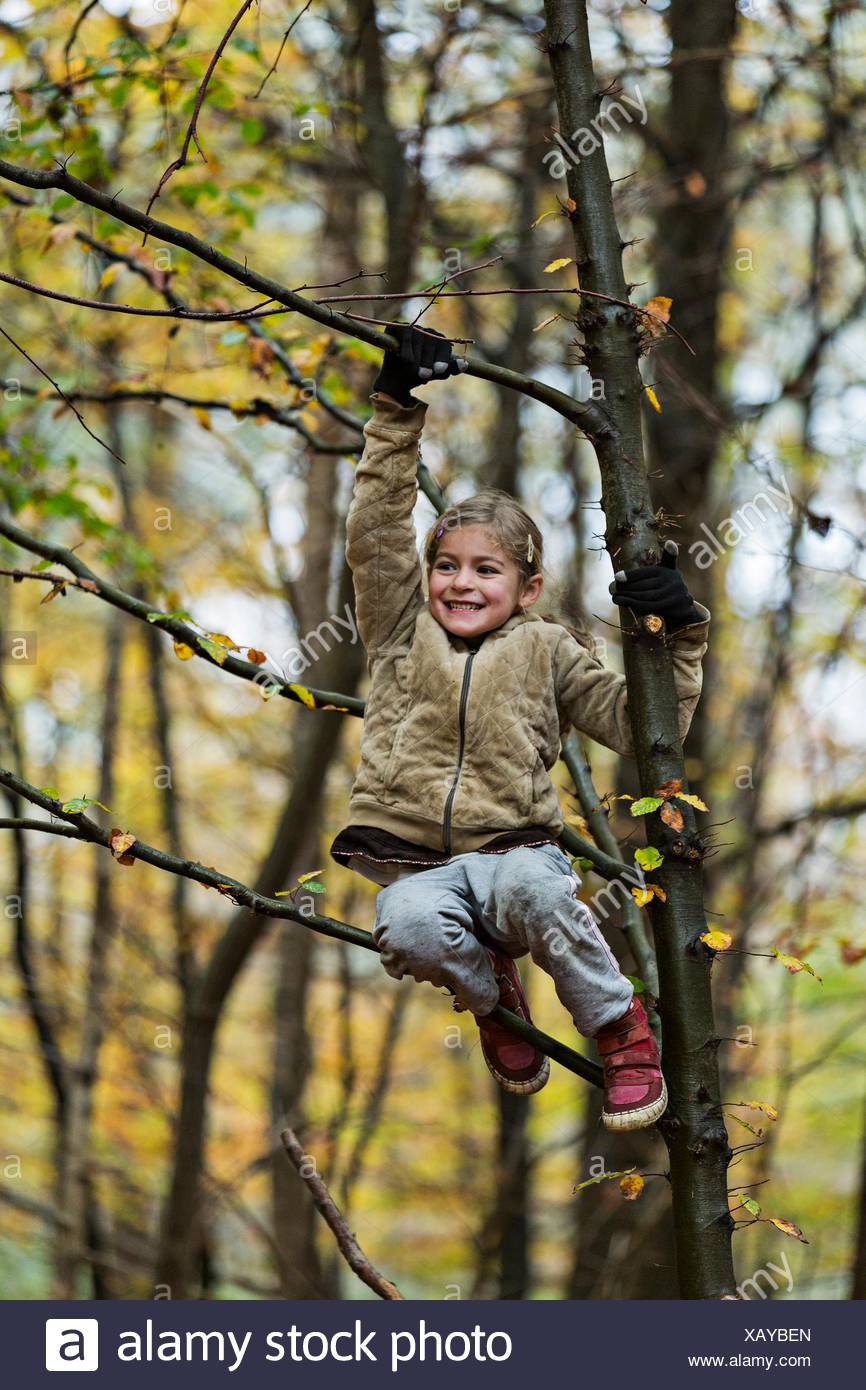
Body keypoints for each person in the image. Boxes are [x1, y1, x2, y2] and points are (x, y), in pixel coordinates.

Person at [329, 323, 710, 1130]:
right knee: (406, 931)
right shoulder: (400, 627)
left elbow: (648, 730)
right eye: (447, 565)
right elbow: (374, 532)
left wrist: (677, 638)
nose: (460, 582)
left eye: (485, 569)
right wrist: (397, 407)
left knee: (539, 890)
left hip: (515, 853)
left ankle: (619, 1029)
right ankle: (495, 999)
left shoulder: (549, 651)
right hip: (416, 864)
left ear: (529, 588)